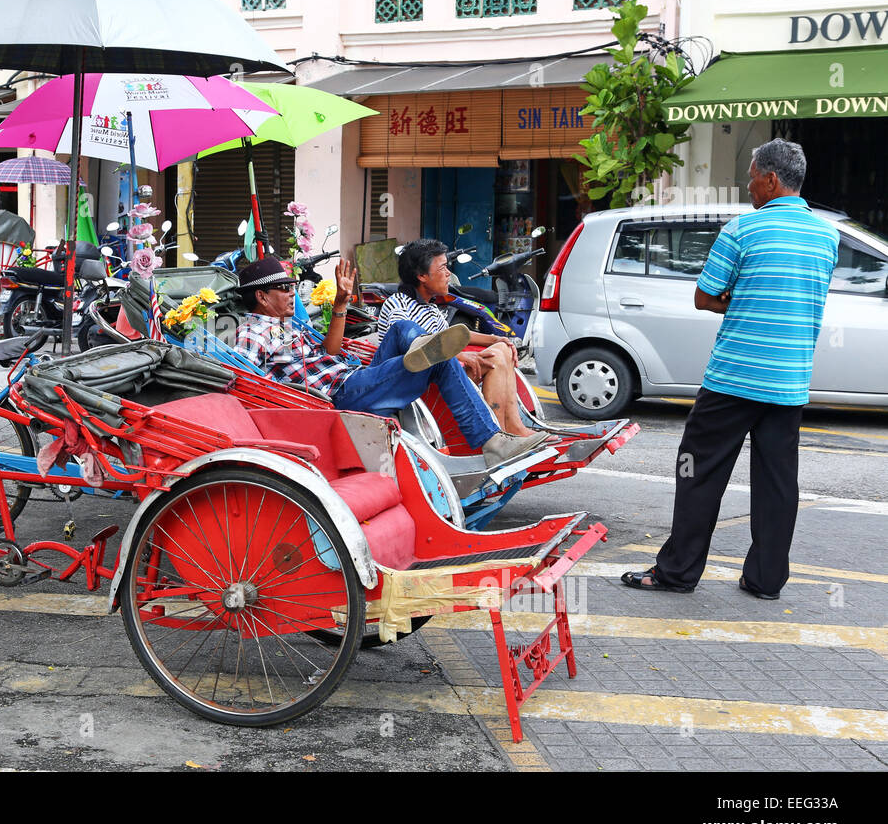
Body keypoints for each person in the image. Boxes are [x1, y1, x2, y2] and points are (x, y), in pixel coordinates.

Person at [622, 139, 838, 600]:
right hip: (789, 381)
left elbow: (705, 296)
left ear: (771, 180)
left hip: (734, 378)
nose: (748, 184)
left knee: (696, 471)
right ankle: (765, 581)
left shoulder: (742, 230)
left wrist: (744, 298)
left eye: (753, 174)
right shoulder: (827, 236)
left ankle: (677, 573)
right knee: (778, 484)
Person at [233, 255, 550, 469]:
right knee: (439, 359)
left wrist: (341, 302)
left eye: (291, 286)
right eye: (284, 288)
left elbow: (328, 353)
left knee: (402, 328)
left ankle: (421, 349)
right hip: (342, 393)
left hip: (354, 375)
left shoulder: (288, 324)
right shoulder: (253, 331)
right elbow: (243, 378)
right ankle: (489, 441)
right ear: (261, 297)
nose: (292, 293)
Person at [379, 239, 535, 437]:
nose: (448, 275)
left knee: (502, 349)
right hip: (415, 380)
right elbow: (412, 346)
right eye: (443, 268)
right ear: (421, 276)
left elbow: (455, 336)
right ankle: (498, 434)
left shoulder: (430, 306)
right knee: (494, 359)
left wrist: (496, 339)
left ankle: (513, 426)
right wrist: (460, 357)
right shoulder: (399, 305)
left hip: (438, 371)